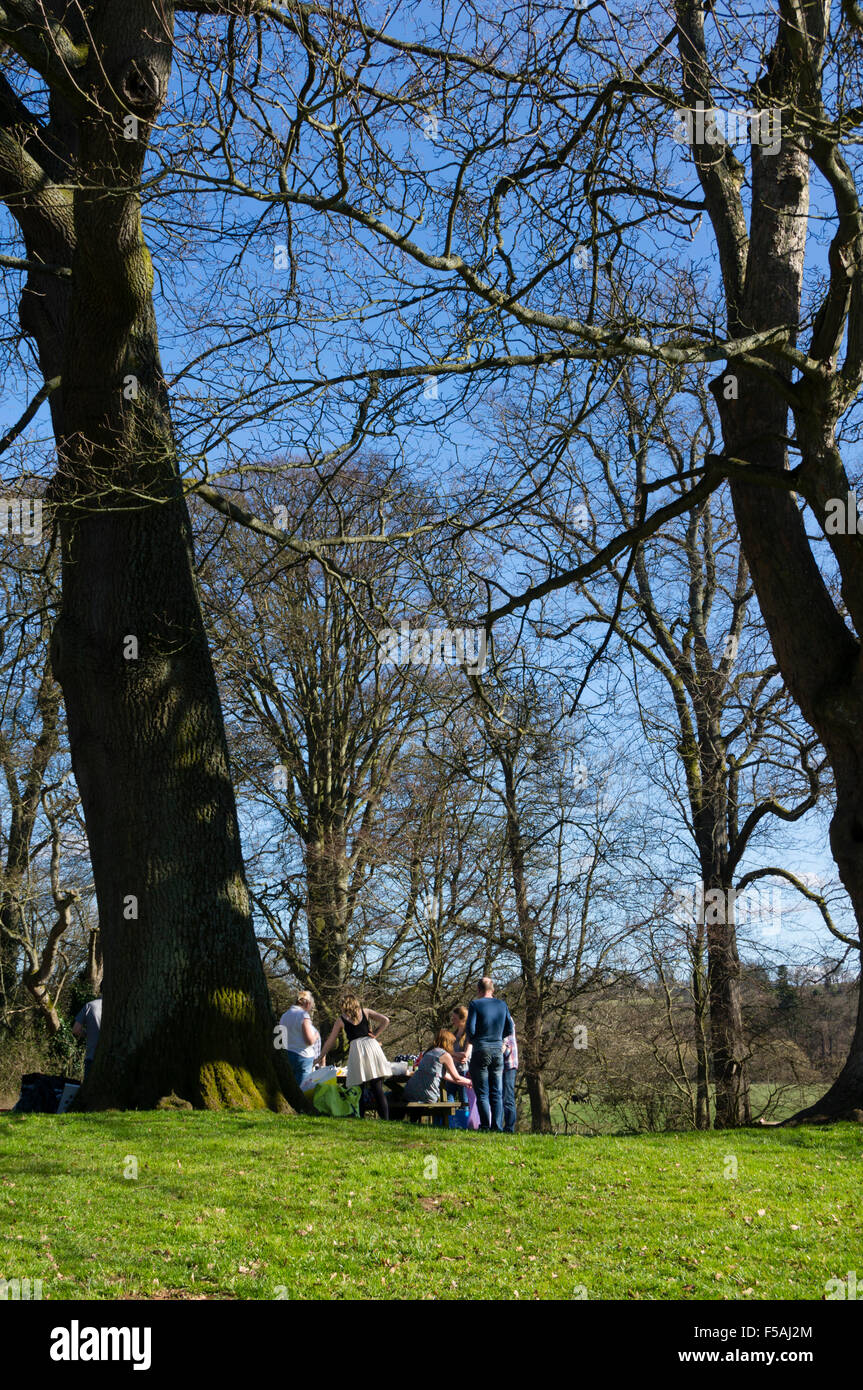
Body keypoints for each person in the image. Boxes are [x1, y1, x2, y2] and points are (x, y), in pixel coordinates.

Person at [316, 993, 392, 1119]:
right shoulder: (365, 1012)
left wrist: (321, 1056)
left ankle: (360, 1117)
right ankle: (386, 1119)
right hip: (371, 1047)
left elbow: (330, 1040)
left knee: (359, 1087)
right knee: (377, 1086)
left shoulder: (341, 1020)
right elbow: (386, 1020)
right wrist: (376, 1034)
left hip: (357, 1050)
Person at [465, 977, 514, 1132]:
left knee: (482, 1092)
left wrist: (475, 1040)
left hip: (481, 1050)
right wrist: (498, 1038)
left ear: (479, 990)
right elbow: (509, 1028)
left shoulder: (475, 1004)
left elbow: (471, 1030)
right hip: (498, 1051)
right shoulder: (502, 1004)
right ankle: (497, 1126)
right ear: (492, 989)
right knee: (497, 1092)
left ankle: (485, 1125)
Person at [403, 1029, 473, 1118]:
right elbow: (456, 1078)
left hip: (409, 1091)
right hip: (428, 1096)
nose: (452, 1046)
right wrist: (471, 1082)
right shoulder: (444, 1055)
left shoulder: (429, 1052)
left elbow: (445, 1076)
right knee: (435, 1099)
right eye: (452, 1043)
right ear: (447, 1043)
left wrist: (466, 1082)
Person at [279, 991, 319, 1087]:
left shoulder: (284, 1016)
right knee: (302, 1088)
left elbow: (281, 1038)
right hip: (303, 1057)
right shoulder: (303, 1015)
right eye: (311, 1004)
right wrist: (316, 1036)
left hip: (287, 1054)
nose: (311, 1007)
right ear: (307, 1003)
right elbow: (309, 1041)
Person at [449, 1005, 480, 1129]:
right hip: (452, 1070)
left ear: (462, 1019)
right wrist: (455, 1056)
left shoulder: (468, 1035)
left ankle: (466, 1124)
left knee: (464, 1099)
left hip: (464, 1071)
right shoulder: (453, 1034)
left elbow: (465, 1056)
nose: (452, 1020)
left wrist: (451, 1054)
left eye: (455, 1018)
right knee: (449, 1095)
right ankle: (450, 1122)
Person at [72, 995, 102, 1080]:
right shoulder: (119, 1008)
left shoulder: (90, 1005)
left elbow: (76, 1030)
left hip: (92, 1057)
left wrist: (88, 1033)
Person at [502, 1020, 519, 1134]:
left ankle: (509, 1128)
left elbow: (506, 1049)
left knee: (508, 1097)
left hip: (508, 1065)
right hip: (504, 1065)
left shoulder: (506, 1020)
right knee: (502, 1096)